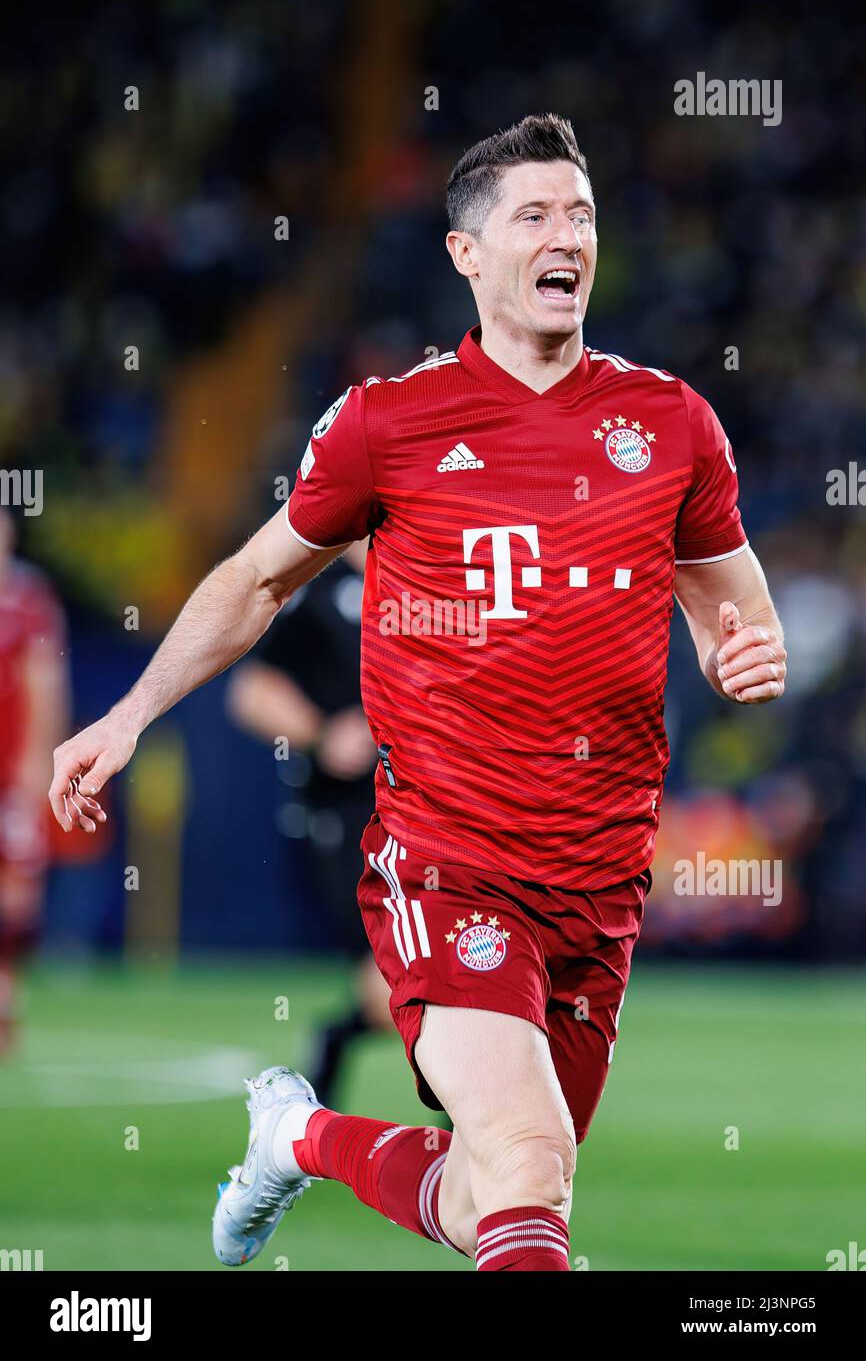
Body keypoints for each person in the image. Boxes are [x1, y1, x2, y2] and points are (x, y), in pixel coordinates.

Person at [49, 113, 787, 1272]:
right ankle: (310, 1132)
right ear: (467, 254)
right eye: (534, 215)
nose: (567, 237)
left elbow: (732, 610)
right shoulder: (387, 425)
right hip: (451, 858)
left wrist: (742, 654)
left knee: (500, 1185)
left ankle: (297, 1133)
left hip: (601, 877)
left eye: (581, 214)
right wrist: (126, 713)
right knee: (528, 1157)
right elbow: (254, 581)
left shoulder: (670, 422)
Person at [226, 538, 394, 1105]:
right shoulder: (317, 595)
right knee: (398, 987)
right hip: (344, 816)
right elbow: (251, 691)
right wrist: (322, 735)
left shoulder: (438, 589)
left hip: (431, 811)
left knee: (439, 978)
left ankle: (467, 1142)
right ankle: (465, 1141)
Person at [0, 508, 68, 1052]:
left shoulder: (27, 600)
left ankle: (6, 990)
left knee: (19, 889)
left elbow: (45, 687)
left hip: (12, 771)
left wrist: (37, 763)